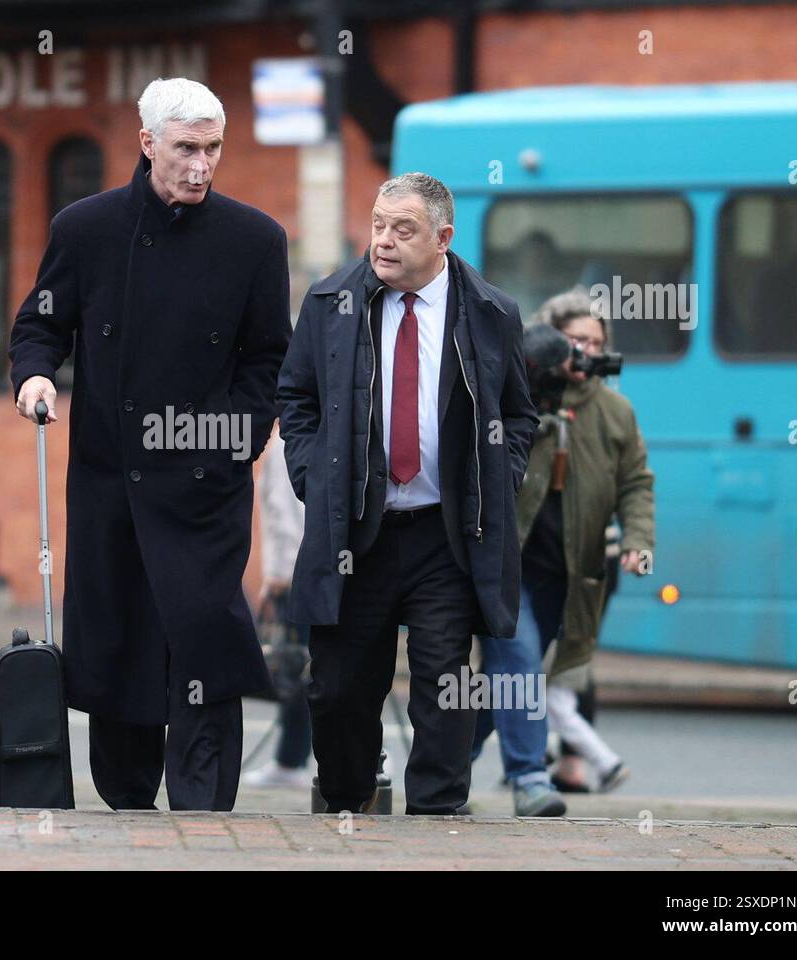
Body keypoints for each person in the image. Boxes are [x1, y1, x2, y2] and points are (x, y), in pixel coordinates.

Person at [8, 77, 290, 812]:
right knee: (119, 625)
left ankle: (202, 798)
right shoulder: (86, 228)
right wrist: (35, 379)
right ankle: (126, 789)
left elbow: (268, 358)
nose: (200, 165)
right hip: (111, 475)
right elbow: (41, 323)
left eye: (213, 148)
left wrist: (239, 438)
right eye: (186, 148)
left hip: (206, 476)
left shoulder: (255, 239)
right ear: (147, 145)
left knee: (203, 626)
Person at [277, 172, 538, 816]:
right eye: (377, 225)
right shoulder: (329, 303)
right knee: (337, 691)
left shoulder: (491, 313)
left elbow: (521, 414)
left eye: (404, 230)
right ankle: (348, 801)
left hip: (443, 534)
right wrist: (315, 477)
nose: (383, 243)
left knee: (444, 682)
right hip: (354, 533)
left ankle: (437, 814)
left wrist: (495, 481)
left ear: (443, 238)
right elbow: (297, 398)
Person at [472, 287, 655, 804]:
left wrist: (639, 541)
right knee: (522, 661)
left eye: (595, 343)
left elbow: (636, 483)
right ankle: (530, 777)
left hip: (569, 578)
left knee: (505, 679)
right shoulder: (520, 394)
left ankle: (445, 768)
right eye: (574, 341)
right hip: (511, 568)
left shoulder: (615, 412)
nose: (586, 352)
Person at [244, 424, 313, 789]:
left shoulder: (289, 439)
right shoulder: (290, 436)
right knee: (300, 667)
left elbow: (287, 517)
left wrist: (277, 577)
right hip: (301, 572)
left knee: (295, 668)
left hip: (296, 575)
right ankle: (291, 758)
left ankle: (290, 759)